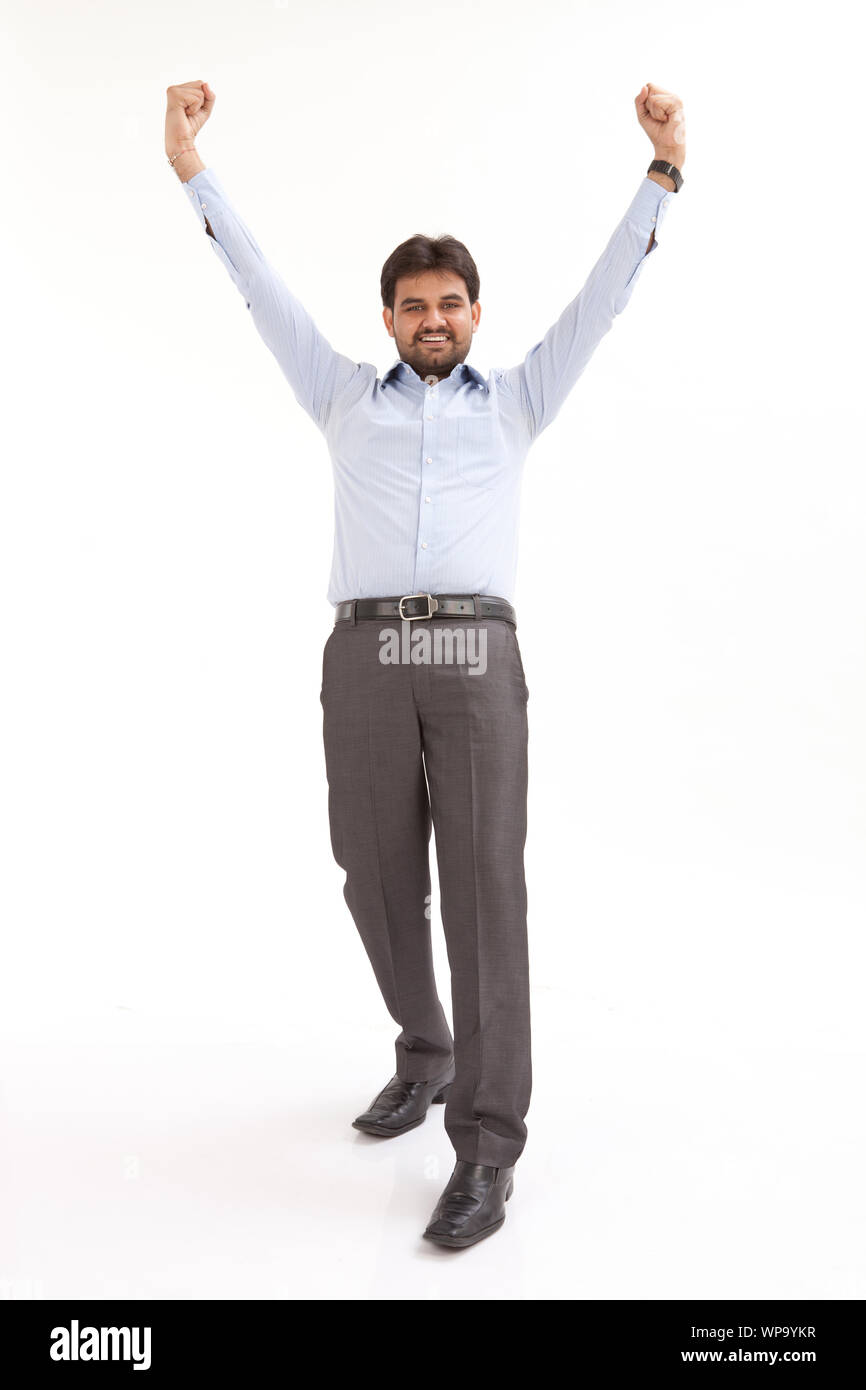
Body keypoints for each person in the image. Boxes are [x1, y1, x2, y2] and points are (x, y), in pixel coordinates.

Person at [164, 78, 686, 1249]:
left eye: (450, 302)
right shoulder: (344, 396)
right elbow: (259, 290)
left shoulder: (513, 403)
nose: (432, 317)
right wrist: (191, 168)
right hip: (363, 656)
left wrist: (659, 172)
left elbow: (601, 304)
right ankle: (429, 1049)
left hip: (472, 652)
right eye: (413, 304)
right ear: (389, 317)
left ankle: (486, 1147)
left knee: (486, 896)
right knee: (373, 876)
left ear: (475, 314)